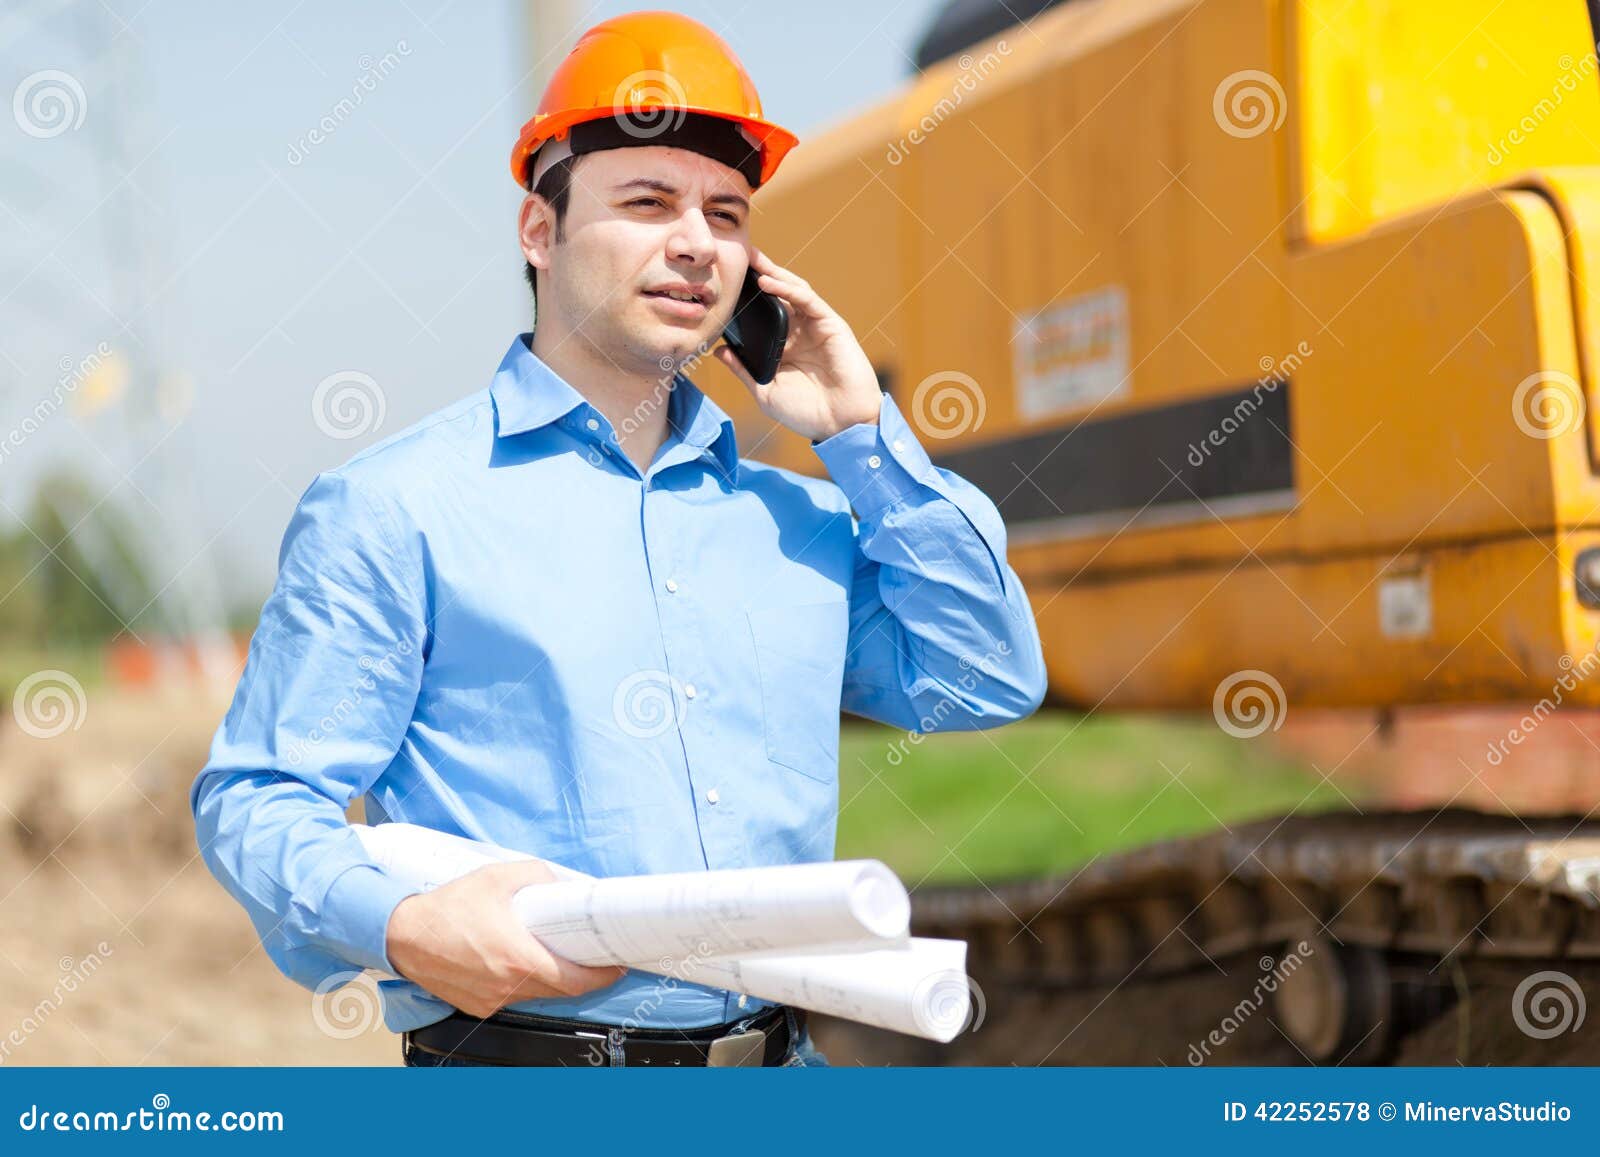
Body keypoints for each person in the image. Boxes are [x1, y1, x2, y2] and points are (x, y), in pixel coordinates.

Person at [190, 10, 1047, 1068]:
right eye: (647, 202)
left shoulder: (803, 520)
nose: (695, 241)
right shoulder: (396, 508)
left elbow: (984, 678)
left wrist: (863, 439)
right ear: (538, 231)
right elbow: (261, 799)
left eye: (727, 214)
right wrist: (405, 924)